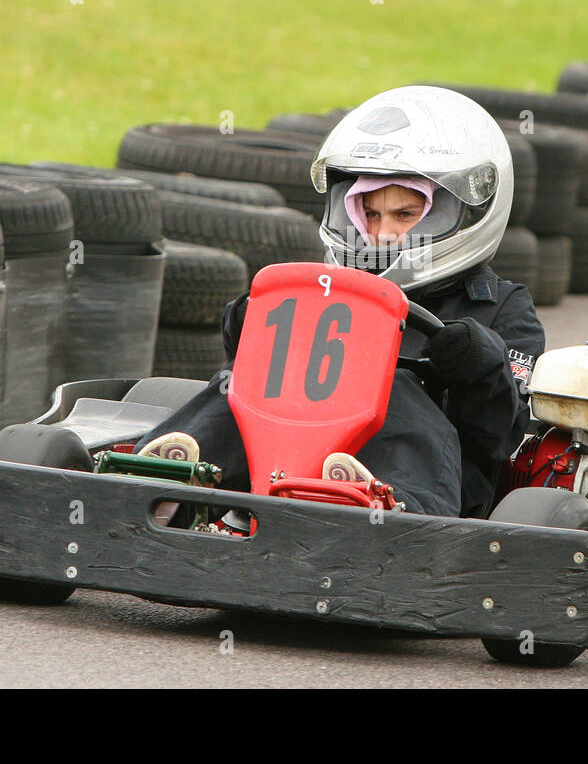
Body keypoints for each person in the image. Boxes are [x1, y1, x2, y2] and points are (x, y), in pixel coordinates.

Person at [135, 85, 545, 518]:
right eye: (370, 214)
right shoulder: (331, 288)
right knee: (238, 384)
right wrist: (246, 323)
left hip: (435, 490)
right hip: (284, 455)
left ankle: (374, 499)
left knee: (397, 387)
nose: (382, 233)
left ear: (469, 210)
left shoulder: (504, 307)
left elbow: (503, 438)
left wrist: (479, 367)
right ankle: (170, 480)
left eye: (405, 215)